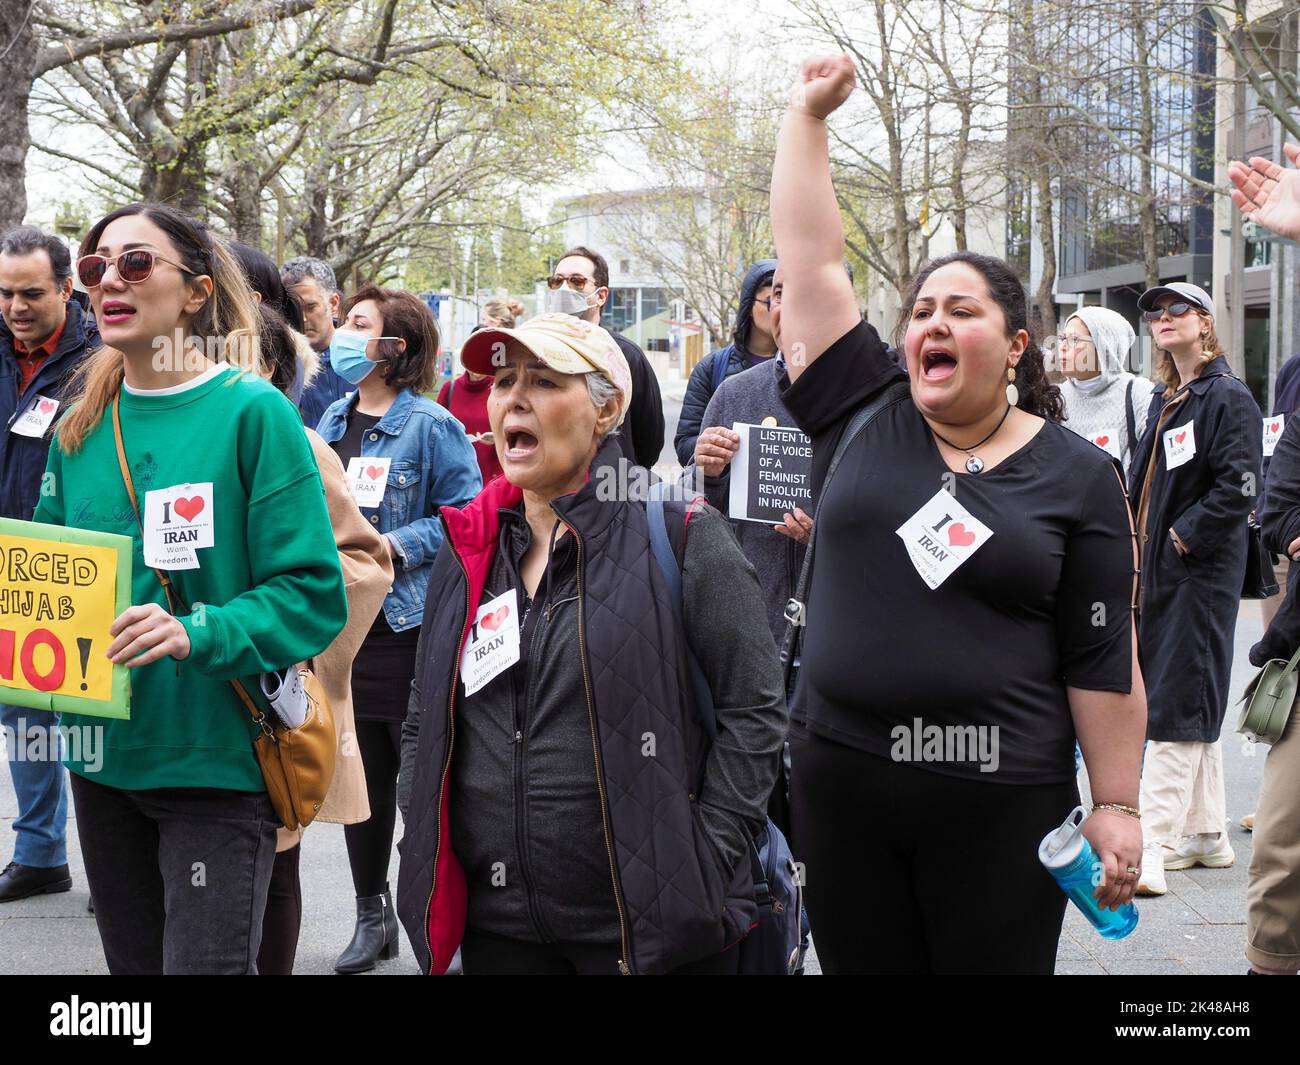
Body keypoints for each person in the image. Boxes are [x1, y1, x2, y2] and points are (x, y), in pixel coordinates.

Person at [770, 55, 1145, 974]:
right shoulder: (858, 408)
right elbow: (811, 256)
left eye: (961, 310)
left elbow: (1102, 651)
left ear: (1016, 344)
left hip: (1004, 802)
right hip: (842, 788)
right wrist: (806, 119)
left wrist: (1119, 803)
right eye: (920, 310)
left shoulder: (1078, 476)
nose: (931, 322)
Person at [395, 312, 787, 975]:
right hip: (499, 931)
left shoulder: (683, 534)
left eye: (545, 380)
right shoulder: (469, 546)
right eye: (503, 379)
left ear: (606, 410)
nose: (513, 398)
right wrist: (421, 815)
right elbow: (423, 713)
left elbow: (754, 712)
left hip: (645, 933)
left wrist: (703, 857)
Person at [34, 202, 348, 973]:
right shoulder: (79, 425)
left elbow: (312, 592)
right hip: (101, 762)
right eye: (95, 266)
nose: (110, 279)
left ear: (198, 293)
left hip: (215, 764)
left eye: (137, 263)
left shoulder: (253, 413)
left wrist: (196, 631)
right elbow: (44, 575)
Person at [231, 243, 395, 976]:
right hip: (171, 720)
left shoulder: (291, 439)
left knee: (271, 869)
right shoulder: (124, 428)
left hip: (265, 716)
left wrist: (284, 650)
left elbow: (363, 563)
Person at [316, 282, 481, 973]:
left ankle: (442, 917)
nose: (341, 335)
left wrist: (393, 546)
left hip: (403, 624)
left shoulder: (430, 424)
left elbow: (467, 514)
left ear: (396, 345)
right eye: (344, 323)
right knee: (361, 778)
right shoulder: (327, 416)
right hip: (337, 625)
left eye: (359, 324)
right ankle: (370, 913)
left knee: (419, 784)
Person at [1127, 281, 1262, 897]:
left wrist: (1183, 535)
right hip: (1160, 567)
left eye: (1177, 307)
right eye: (1154, 312)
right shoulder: (1169, 396)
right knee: (1189, 691)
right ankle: (1206, 834)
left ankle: (1150, 845)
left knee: (1177, 703)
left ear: (1206, 322)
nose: (1163, 317)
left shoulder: (1226, 396)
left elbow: (1241, 486)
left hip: (1198, 570)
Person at [0, 226, 99, 904]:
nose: (15, 306)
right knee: (23, 710)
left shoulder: (101, 361)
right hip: (10, 565)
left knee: (93, 716)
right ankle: (40, 853)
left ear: (67, 288)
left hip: (77, 562)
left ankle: (115, 859)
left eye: (31, 292)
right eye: (4, 292)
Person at [546, 246, 665, 468]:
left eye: (577, 281)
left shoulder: (626, 355)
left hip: (610, 490)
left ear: (601, 295)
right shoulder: (538, 349)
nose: (564, 289)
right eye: (557, 281)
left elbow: (650, 440)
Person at [675, 259, 779, 465]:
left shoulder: (804, 369)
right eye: (770, 301)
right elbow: (685, 445)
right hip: (724, 495)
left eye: (788, 301)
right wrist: (709, 448)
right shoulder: (712, 368)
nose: (779, 309)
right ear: (749, 306)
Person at [1056, 306, 1155, 478]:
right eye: (1062, 338)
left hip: (1121, 502)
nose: (1063, 347)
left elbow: (1155, 462)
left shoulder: (1138, 393)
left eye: (1074, 339)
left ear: (1104, 347)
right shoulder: (1055, 398)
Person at [437, 298, 524, 486]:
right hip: (456, 480)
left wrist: (499, 436)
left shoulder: (503, 389)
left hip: (496, 481)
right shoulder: (450, 389)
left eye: (483, 356)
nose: (477, 363)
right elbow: (435, 434)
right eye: (472, 354)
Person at [282, 256, 350, 427]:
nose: (302, 318)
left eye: (310, 307)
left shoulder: (362, 359)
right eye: (293, 309)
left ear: (333, 303)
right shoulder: (276, 367)